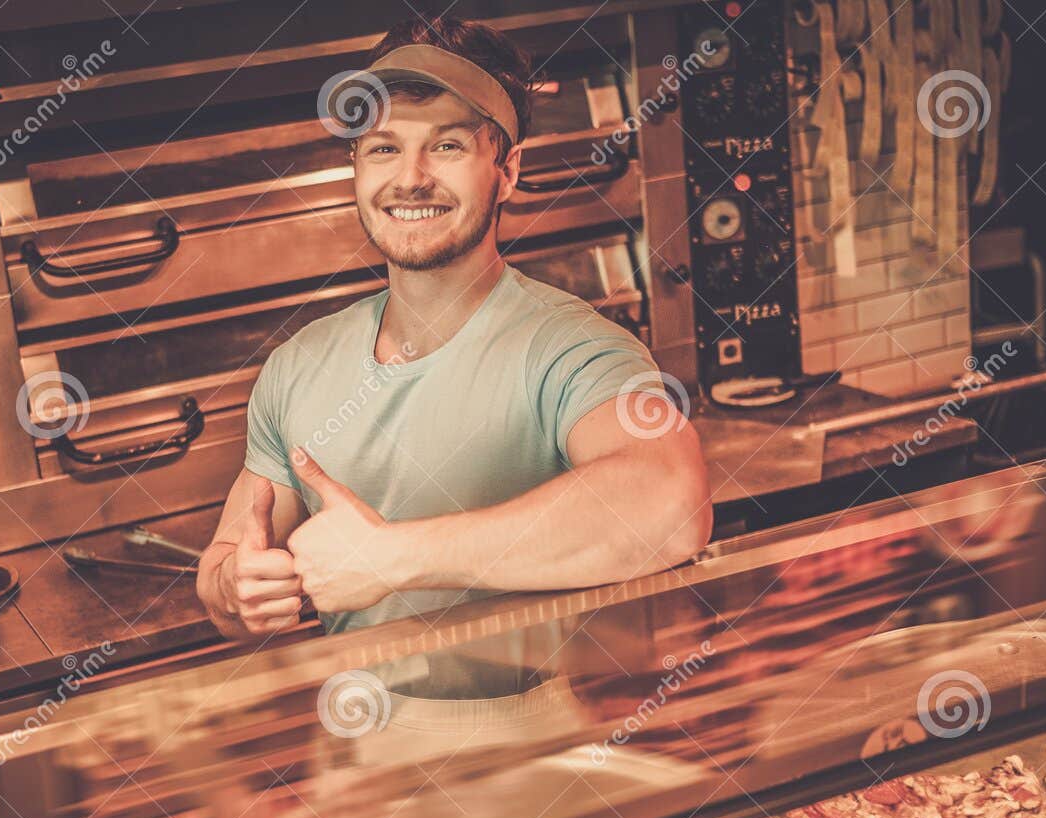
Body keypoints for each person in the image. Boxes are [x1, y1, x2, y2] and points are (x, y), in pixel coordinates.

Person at [197, 16, 711, 677]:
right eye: (383, 148)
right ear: (353, 165)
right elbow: (221, 568)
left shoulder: (568, 347)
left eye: (446, 147)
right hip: (361, 751)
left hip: (541, 751)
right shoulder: (297, 367)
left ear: (508, 169)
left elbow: (672, 503)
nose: (410, 178)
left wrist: (394, 557)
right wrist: (239, 591)